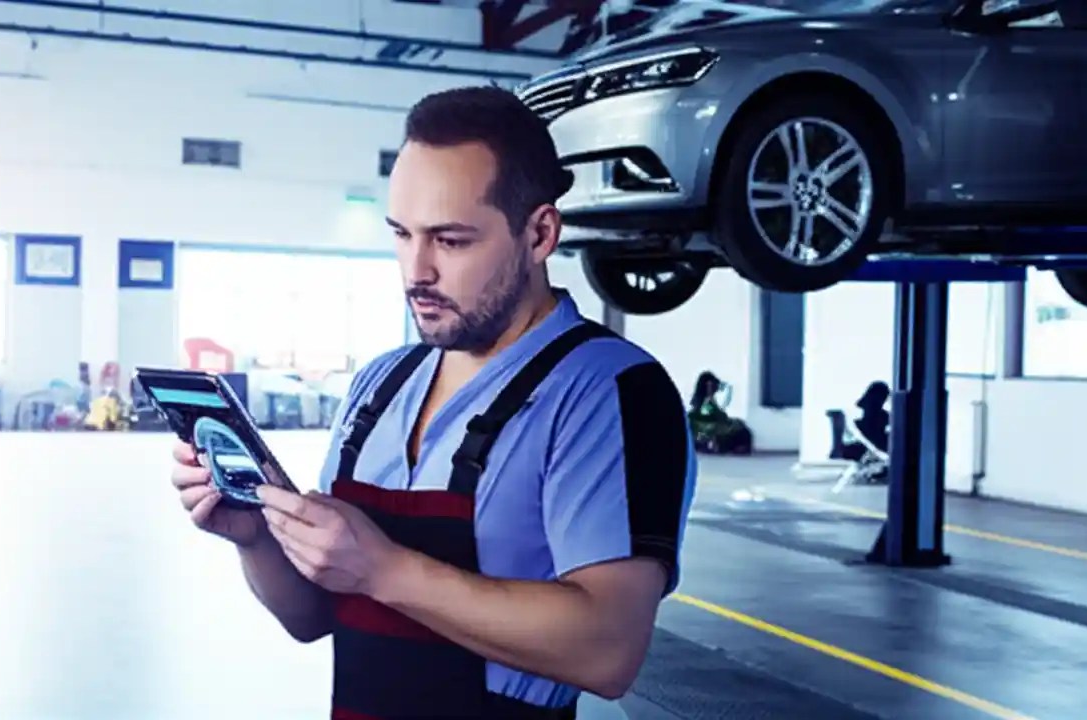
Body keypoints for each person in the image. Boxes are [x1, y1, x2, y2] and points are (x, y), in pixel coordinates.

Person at [169, 86, 698, 719]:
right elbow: (312, 618)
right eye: (402, 234)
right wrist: (257, 537)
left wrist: (383, 569)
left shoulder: (609, 391)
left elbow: (608, 653)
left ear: (539, 234)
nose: (416, 271)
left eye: (450, 241)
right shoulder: (379, 385)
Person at [687, 371, 753, 455]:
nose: (717, 389)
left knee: (740, 425)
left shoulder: (705, 401)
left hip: (713, 429)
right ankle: (715, 445)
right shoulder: (704, 402)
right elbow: (712, 418)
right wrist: (710, 396)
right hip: (709, 431)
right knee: (740, 430)